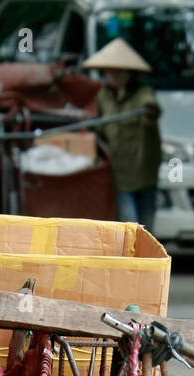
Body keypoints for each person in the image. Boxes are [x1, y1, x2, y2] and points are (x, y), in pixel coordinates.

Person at [81, 38, 161, 231]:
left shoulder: (142, 93)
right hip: (119, 174)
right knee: (130, 226)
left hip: (144, 171)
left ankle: (148, 261)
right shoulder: (104, 96)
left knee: (147, 229)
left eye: (119, 71)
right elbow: (98, 129)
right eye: (110, 71)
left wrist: (149, 111)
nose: (114, 75)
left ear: (129, 73)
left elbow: (150, 109)